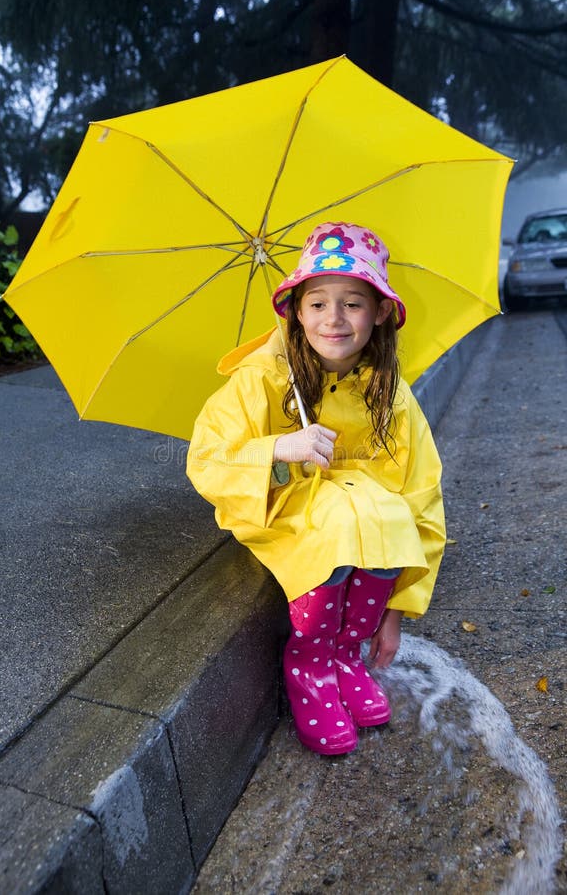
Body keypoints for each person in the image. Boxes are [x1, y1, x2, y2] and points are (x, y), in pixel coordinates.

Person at [187, 222, 446, 756]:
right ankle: (310, 663)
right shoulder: (262, 379)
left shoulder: (389, 394)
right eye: (318, 303)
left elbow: (422, 497)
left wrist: (393, 616)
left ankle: (346, 654)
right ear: (296, 311)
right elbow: (207, 458)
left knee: (384, 513)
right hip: (288, 511)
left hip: (362, 520)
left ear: (378, 313)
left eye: (352, 303)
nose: (333, 319)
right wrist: (278, 450)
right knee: (338, 518)